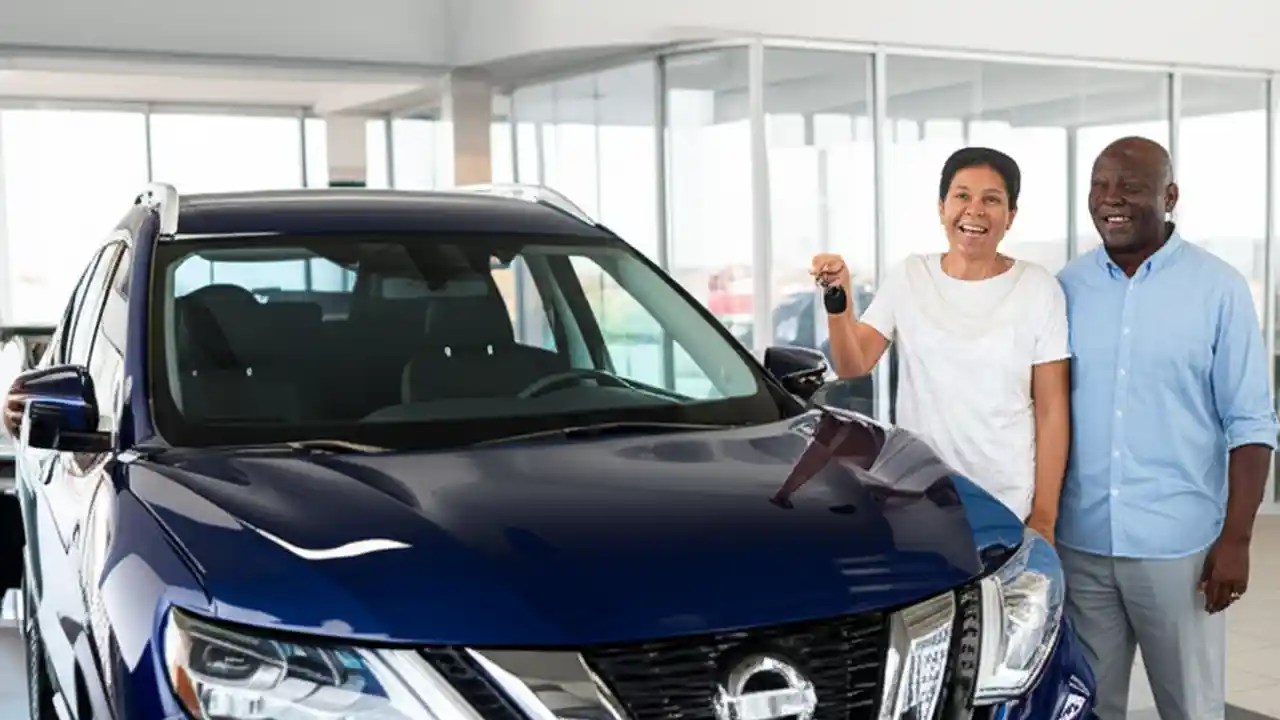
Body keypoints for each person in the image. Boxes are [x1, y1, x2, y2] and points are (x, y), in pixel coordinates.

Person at [1055, 136, 1278, 720]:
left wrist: (1237, 541)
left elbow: (1251, 423)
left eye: (1129, 185)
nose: (1111, 200)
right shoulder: (1064, 288)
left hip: (1180, 551)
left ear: (1170, 195)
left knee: (1192, 707)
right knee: (1087, 705)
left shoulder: (1219, 288)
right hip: (1081, 543)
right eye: (1100, 186)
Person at [811, 146, 1071, 537]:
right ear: (941, 207)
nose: (974, 210)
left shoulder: (1037, 287)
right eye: (962, 196)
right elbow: (854, 364)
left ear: (1010, 216)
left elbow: (1052, 410)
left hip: (1007, 504)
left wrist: (1045, 518)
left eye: (992, 200)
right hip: (920, 497)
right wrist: (839, 301)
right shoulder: (911, 276)